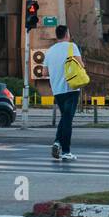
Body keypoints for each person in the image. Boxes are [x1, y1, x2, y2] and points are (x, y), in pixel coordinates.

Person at [45, 25, 84, 161]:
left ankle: (57, 142)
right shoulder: (71, 46)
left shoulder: (49, 51)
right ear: (67, 34)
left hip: (57, 90)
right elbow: (81, 65)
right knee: (67, 120)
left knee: (65, 118)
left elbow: (44, 72)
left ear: (57, 35)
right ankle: (66, 151)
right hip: (71, 88)